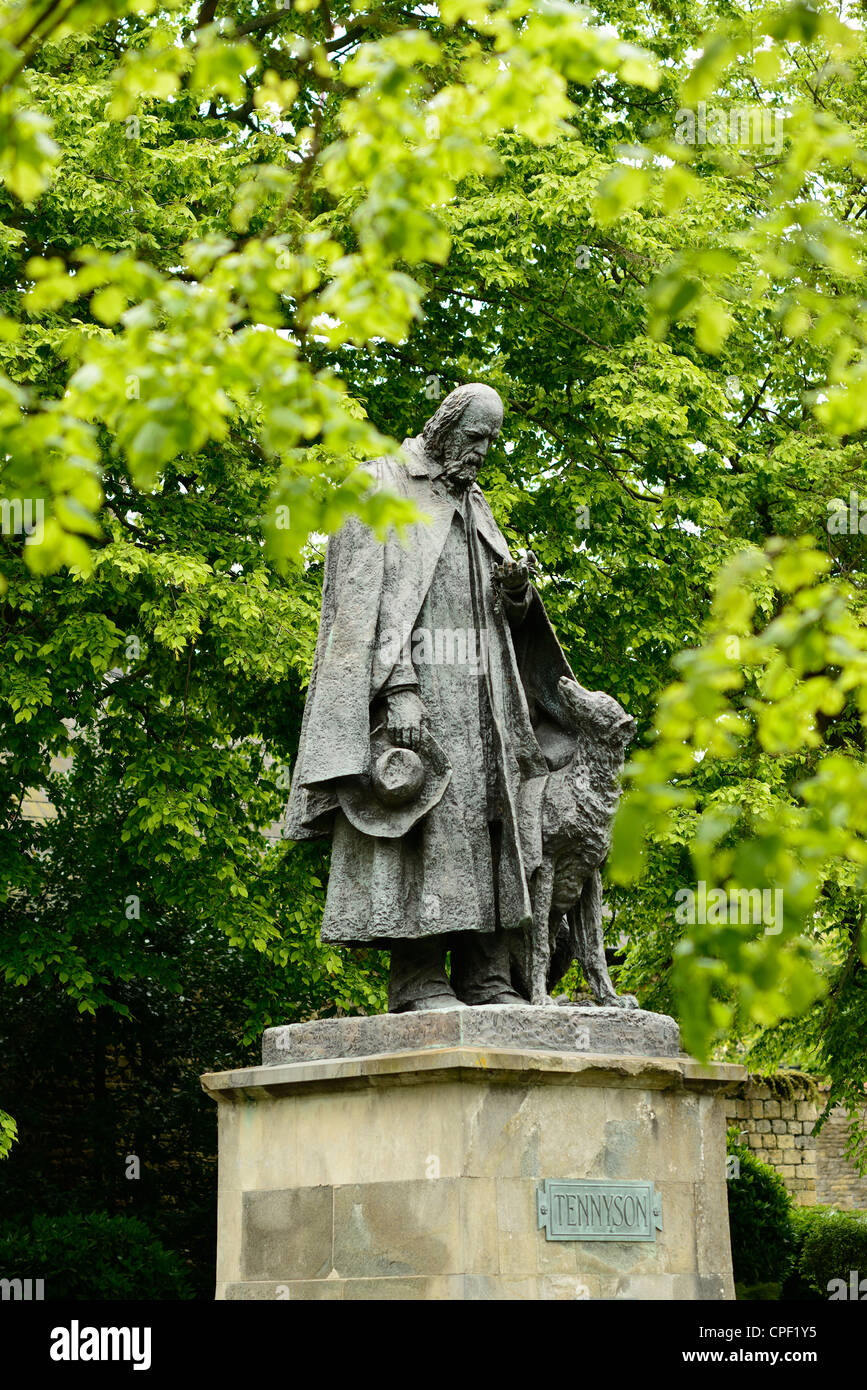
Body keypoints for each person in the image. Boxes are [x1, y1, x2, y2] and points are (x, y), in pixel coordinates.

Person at [285, 383, 579, 1011]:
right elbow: (357, 607)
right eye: (475, 437)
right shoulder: (379, 486)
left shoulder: (475, 504)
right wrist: (398, 690)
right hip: (422, 699)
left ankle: (488, 977)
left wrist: (517, 594)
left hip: (486, 703)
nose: (483, 452)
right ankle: (418, 980)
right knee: (420, 830)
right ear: (446, 425)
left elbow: (505, 618)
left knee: (489, 826)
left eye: (492, 442)